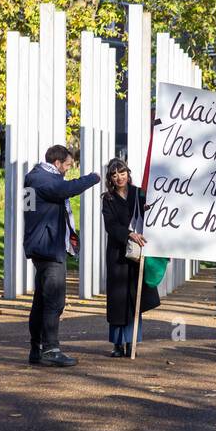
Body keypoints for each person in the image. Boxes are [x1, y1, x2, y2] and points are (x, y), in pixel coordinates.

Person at [23, 145, 100, 368]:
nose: (67, 170)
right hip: (48, 247)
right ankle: (51, 349)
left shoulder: (34, 178)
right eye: (67, 165)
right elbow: (65, 189)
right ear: (56, 163)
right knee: (54, 301)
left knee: (41, 301)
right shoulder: (42, 179)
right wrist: (92, 178)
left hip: (42, 245)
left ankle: (36, 349)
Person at [102, 158, 161, 357]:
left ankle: (131, 341)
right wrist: (129, 234)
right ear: (110, 178)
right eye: (114, 174)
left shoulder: (138, 193)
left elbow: (151, 217)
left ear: (128, 173)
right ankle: (118, 344)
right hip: (118, 254)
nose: (119, 177)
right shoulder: (108, 198)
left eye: (122, 173)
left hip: (137, 253)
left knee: (134, 296)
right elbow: (110, 225)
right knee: (118, 299)